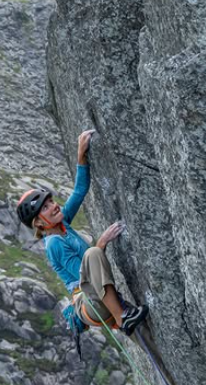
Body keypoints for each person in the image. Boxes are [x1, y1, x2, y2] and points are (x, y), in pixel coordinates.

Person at [16, 129, 149, 344]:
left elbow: (79, 191)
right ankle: (123, 318)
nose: (54, 206)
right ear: (39, 223)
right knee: (93, 254)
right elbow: (84, 272)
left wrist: (81, 156)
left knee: (94, 254)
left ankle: (124, 315)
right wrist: (102, 242)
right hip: (89, 304)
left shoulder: (63, 224)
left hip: (98, 301)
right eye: (46, 207)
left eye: (51, 201)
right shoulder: (54, 244)